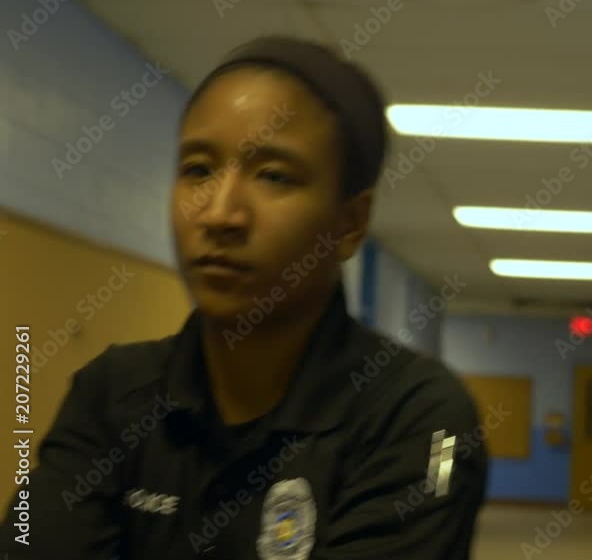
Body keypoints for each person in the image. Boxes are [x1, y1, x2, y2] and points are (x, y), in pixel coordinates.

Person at [0, 35, 487, 559]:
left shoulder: (417, 417)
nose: (220, 213)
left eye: (273, 176)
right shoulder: (111, 394)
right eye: (198, 169)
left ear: (350, 224)